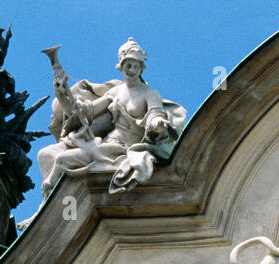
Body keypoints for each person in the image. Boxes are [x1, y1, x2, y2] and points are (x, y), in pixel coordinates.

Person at [37, 38, 186, 195]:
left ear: (141, 69)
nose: (132, 70)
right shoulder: (116, 91)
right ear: (121, 66)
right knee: (46, 154)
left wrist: (158, 122)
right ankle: (50, 204)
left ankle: (50, 193)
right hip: (105, 144)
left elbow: (154, 114)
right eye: (128, 65)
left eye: (136, 66)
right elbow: (87, 112)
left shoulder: (150, 94)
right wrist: (61, 93)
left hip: (123, 148)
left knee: (62, 160)